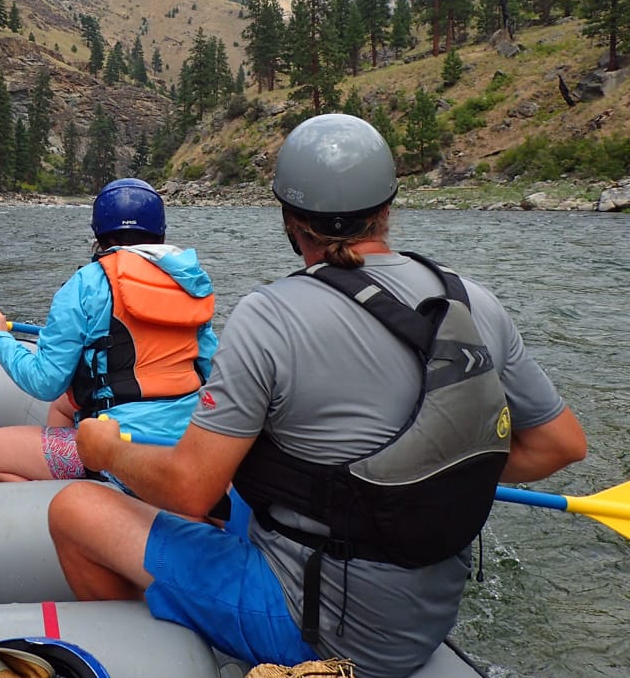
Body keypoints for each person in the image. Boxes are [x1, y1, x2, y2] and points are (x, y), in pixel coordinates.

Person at [47, 114, 588, 677]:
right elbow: (560, 444)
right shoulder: (472, 301)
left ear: (289, 220)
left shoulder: (270, 315)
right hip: (423, 622)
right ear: (387, 207)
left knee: (74, 509)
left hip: (313, 623)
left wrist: (105, 449)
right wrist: (424, 480)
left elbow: (188, 488)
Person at [0, 178, 217, 482]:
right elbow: (211, 369)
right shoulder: (190, 282)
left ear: (97, 233)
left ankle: (86, 503)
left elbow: (46, 381)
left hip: (122, 452)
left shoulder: (85, 284)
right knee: (65, 405)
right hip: (186, 442)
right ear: (161, 232)